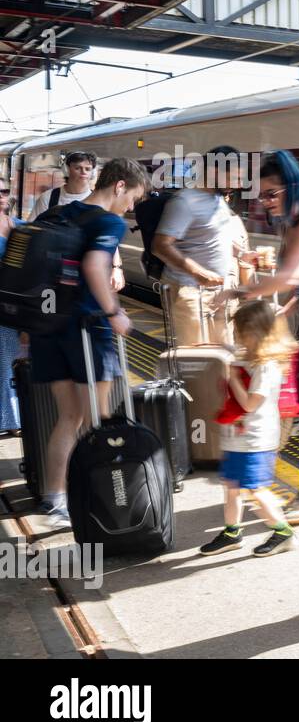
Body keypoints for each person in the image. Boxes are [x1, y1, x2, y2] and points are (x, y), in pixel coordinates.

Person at [213, 151, 299, 523]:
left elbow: (291, 278)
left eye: (272, 194)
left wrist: (239, 293)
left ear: (292, 187)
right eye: (262, 196)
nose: (266, 202)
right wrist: (284, 308)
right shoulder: (295, 223)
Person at [29, 159, 145, 527]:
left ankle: (55, 500)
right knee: (99, 421)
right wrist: (114, 313)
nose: (131, 209)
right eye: (133, 199)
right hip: (88, 328)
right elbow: (96, 268)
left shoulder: (58, 212)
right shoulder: (107, 221)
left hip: (49, 329)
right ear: (120, 186)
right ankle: (105, 498)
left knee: (69, 417)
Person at [198, 299, 297, 557]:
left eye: (241, 332)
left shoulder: (267, 367)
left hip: (256, 441)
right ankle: (232, 532)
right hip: (238, 439)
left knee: (255, 489)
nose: (238, 337)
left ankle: (283, 531)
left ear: (256, 333)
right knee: (232, 485)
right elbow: (223, 343)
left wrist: (232, 378)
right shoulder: (248, 357)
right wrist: (219, 315)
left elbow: (250, 404)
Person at [151, 146, 240, 345]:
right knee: (197, 360)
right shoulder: (185, 201)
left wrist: (242, 254)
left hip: (218, 292)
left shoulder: (217, 199)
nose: (239, 183)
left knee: (224, 357)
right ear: (216, 171)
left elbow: (214, 237)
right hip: (191, 292)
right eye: (234, 177)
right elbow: (160, 245)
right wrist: (198, 273)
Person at [35, 151, 125, 292]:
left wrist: (116, 267)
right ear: (67, 170)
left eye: (88, 169)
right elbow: (36, 230)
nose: (83, 172)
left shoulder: (99, 200)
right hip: (52, 269)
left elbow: (108, 236)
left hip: (85, 274)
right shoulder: (49, 198)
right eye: (78, 168)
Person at [0, 184, 23, 436]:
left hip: (18, 303)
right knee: (3, 362)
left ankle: (18, 416)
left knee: (17, 360)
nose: (1, 196)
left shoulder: (21, 226)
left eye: (4, 191)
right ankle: (10, 420)